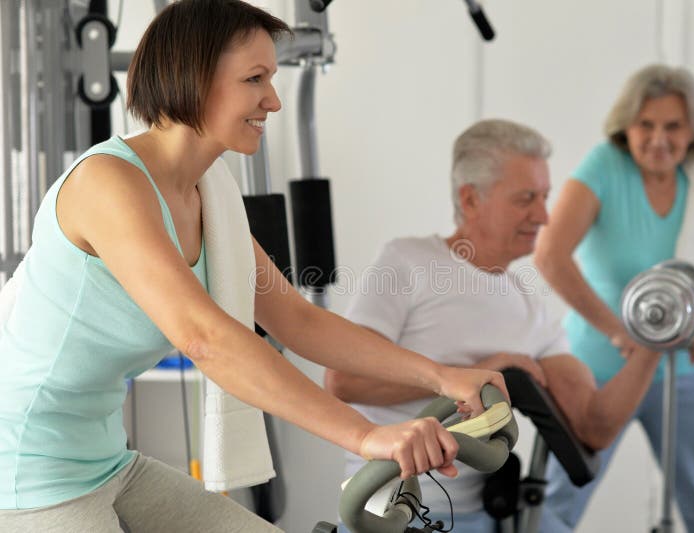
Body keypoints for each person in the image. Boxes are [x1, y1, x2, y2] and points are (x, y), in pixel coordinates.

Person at [0, 1, 507, 531]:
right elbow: (205, 338)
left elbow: (297, 320)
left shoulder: (208, 192)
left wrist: (443, 377)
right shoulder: (109, 184)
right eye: (255, 78)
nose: (274, 100)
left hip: (104, 461)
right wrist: (363, 435)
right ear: (195, 79)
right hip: (26, 471)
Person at [325, 119, 668, 533]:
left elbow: (593, 427)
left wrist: (657, 339)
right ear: (470, 199)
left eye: (544, 197)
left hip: (483, 517)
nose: (543, 216)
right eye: (526, 199)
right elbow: (344, 379)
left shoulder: (531, 308)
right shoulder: (407, 262)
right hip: (389, 511)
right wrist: (477, 372)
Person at [534, 64, 694, 532]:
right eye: (645, 125)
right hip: (601, 364)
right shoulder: (603, 166)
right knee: (554, 506)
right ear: (626, 127)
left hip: (685, 368)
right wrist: (614, 329)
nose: (658, 139)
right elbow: (550, 254)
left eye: (673, 126)